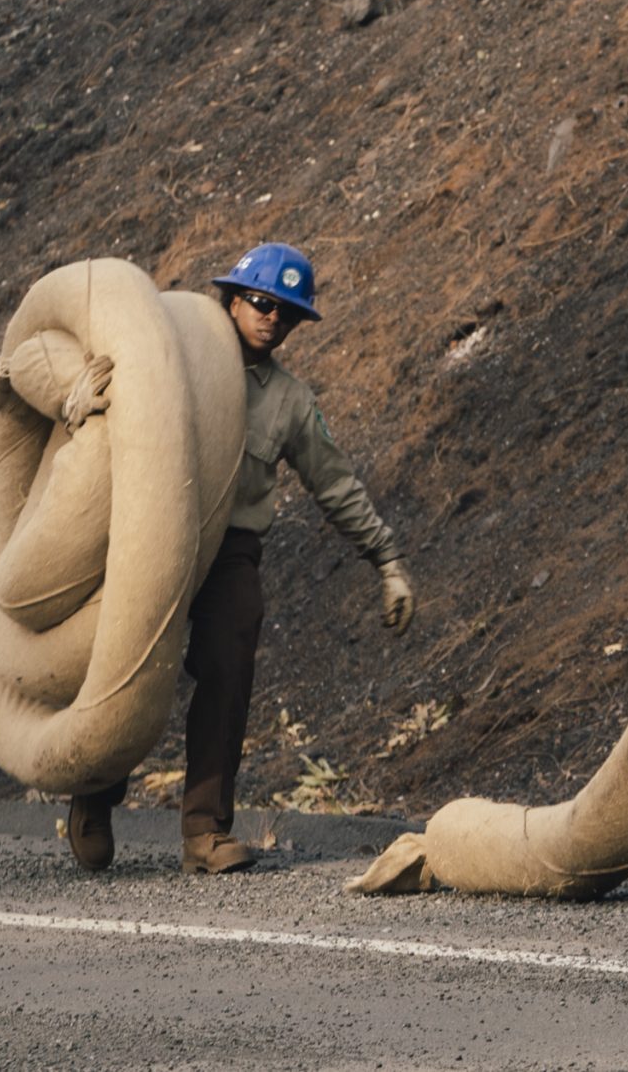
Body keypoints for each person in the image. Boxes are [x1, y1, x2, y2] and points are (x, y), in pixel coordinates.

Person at [68, 243, 419, 875]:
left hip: (230, 547)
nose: (271, 319)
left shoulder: (290, 401)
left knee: (229, 666)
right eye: (261, 303)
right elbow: (94, 433)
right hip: (152, 531)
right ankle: (94, 796)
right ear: (232, 300)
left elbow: (335, 484)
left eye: (286, 314)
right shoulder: (165, 353)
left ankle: (205, 832)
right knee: (126, 663)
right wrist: (80, 402)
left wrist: (386, 561)